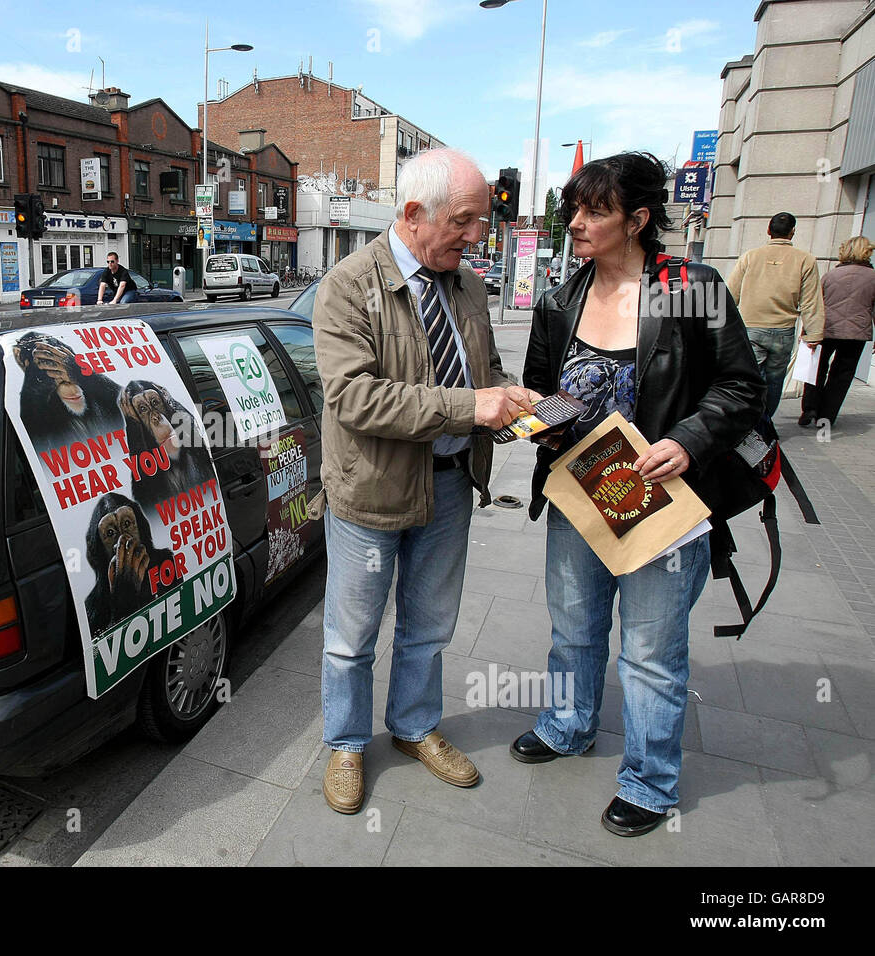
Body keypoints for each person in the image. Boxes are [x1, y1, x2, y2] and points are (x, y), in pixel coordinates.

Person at [517, 152, 764, 837]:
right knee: (574, 632)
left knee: (652, 652)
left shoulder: (692, 288)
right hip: (579, 497)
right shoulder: (560, 298)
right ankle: (568, 725)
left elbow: (742, 385)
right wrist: (536, 421)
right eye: (575, 209)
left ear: (639, 219)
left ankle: (651, 783)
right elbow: (545, 389)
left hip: (663, 503)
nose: (578, 223)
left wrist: (688, 438)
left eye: (596, 211)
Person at [312, 147, 537, 815]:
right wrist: (472, 406)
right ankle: (347, 743)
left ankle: (413, 727)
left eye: (480, 222)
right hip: (370, 495)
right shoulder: (349, 285)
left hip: (448, 486)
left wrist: (516, 408)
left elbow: (484, 370)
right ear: (413, 214)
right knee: (352, 636)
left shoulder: (466, 284)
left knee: (430, 625)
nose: (476, 237)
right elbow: (356, 398)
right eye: (464, 222)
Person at [726, 212, 825, 418]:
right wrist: (814, 334)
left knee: (749, 377)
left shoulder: (750, 257)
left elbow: (731, 293)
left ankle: (747, 420)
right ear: (793, 232)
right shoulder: (805, 260)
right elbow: (811, 300)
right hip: (783, 330)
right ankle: (765, 422)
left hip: (751, 327)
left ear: (768, 230)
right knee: (774, 380)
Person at [800, 236, 875, 428]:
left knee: (817, 367)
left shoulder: (830, 276)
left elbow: (816, 304)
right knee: (842, 375)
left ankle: (809, 407)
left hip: (827, 328)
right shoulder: (873, 278)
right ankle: (826, 416)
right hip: (856, 333)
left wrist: (807, 330)